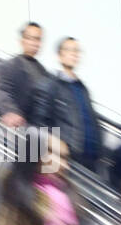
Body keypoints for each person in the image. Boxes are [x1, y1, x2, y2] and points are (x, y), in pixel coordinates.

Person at [30, 37, 101, 172]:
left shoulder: (82, 88)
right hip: (68, 157)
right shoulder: (49, 84)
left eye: (76, 50)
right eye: (69, 50)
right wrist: (55, 146)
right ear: (60, 56)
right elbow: (39, 122)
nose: (74, 54)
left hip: (91, 161)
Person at [0, 22, 48, 129]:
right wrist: (10, 111)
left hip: (42, 131)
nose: (35, 43)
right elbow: (1, 91)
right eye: (30, 38)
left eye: (38, 39)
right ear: (22, 41)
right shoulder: (9, 66)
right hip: (21, 129)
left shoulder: (44, 73)